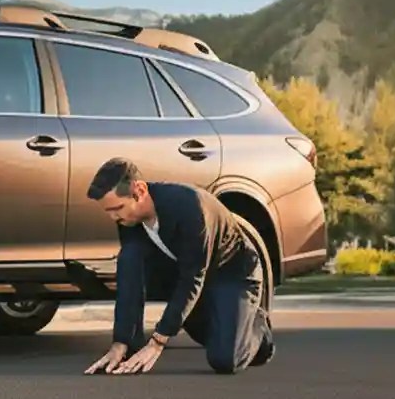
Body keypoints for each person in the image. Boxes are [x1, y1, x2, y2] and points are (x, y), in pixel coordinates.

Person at [82, 157, 275, 375]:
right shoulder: (128, 219)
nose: (113, 216)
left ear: (140, 191)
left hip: (232, 274)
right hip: (186, 272)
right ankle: (131, 349)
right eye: (108, 211)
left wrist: (158, 341)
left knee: (225, 359)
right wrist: (120, 343)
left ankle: (256, 325)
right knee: (129, 258)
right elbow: (130, 275)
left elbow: (193, 277)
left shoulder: (190, 207)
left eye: (117, 208)